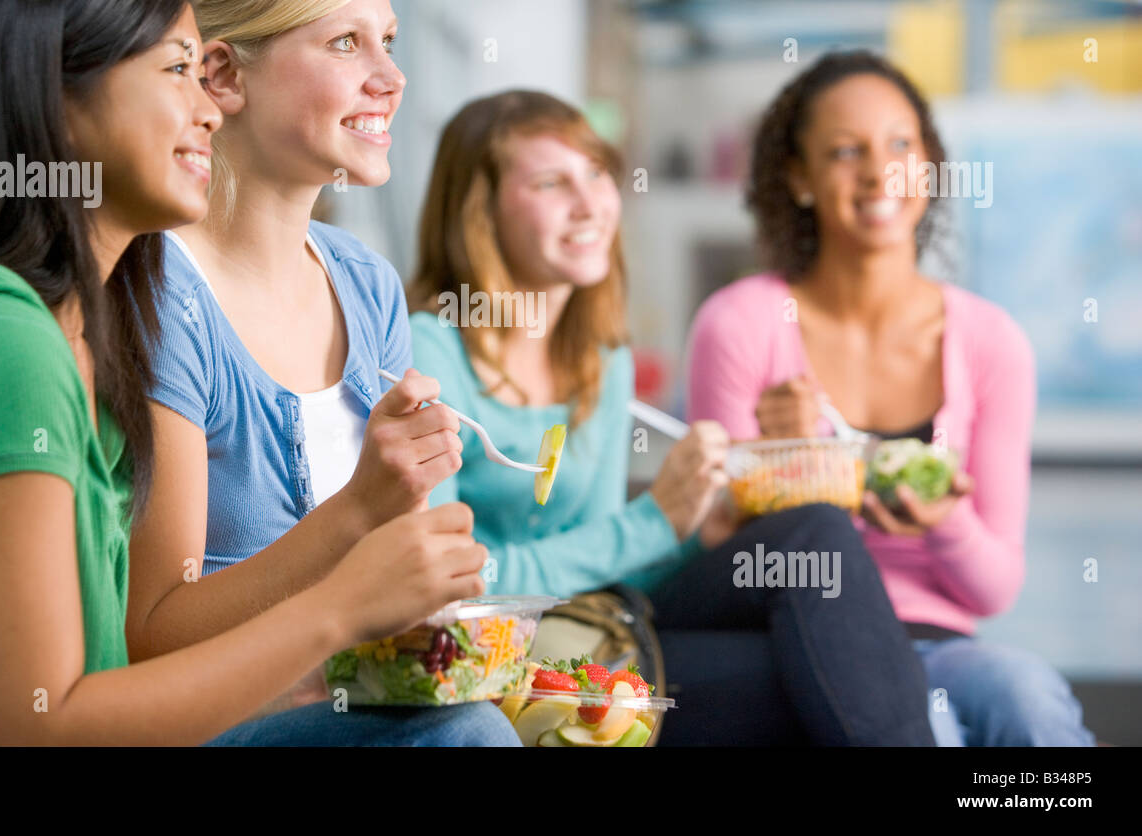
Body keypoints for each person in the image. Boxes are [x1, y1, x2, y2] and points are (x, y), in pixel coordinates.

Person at [0, 0, 492, 746]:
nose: (211, 104)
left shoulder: (73, 328)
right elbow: (41, 731)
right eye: (179, 70)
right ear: (58, 102)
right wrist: (339, 609)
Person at [408, 89, 937, 745]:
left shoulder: (600, 356)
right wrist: (657, 518)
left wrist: (701, 525)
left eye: (597, 174)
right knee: (822, 673)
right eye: (551, 182)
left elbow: (603, 565)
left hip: (596, 624)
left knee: (815, 536)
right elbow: (451, 583)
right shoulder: (428, 353)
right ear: (479, 212)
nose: (590, 203)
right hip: (487, 658)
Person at [124, 0, 517, 744]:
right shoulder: (154, 292)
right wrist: (359, 513)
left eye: (391, 41)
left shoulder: (365, 285)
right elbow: (151, 635)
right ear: (223, 77)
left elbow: (396, 586)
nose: (391, 76)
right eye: (346, 43)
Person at [685, 49, 1094, 746]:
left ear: (930, 163)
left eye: (901, 144)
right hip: (795, 641)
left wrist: (945, 523)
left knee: (1029, 696)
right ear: (799, 179)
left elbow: (994, 590)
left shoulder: (992, 343)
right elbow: (708, 542)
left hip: (941, 642)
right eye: (845, 151)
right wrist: (772, 461)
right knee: (934, 728)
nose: (879, 172)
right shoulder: (741, 323)